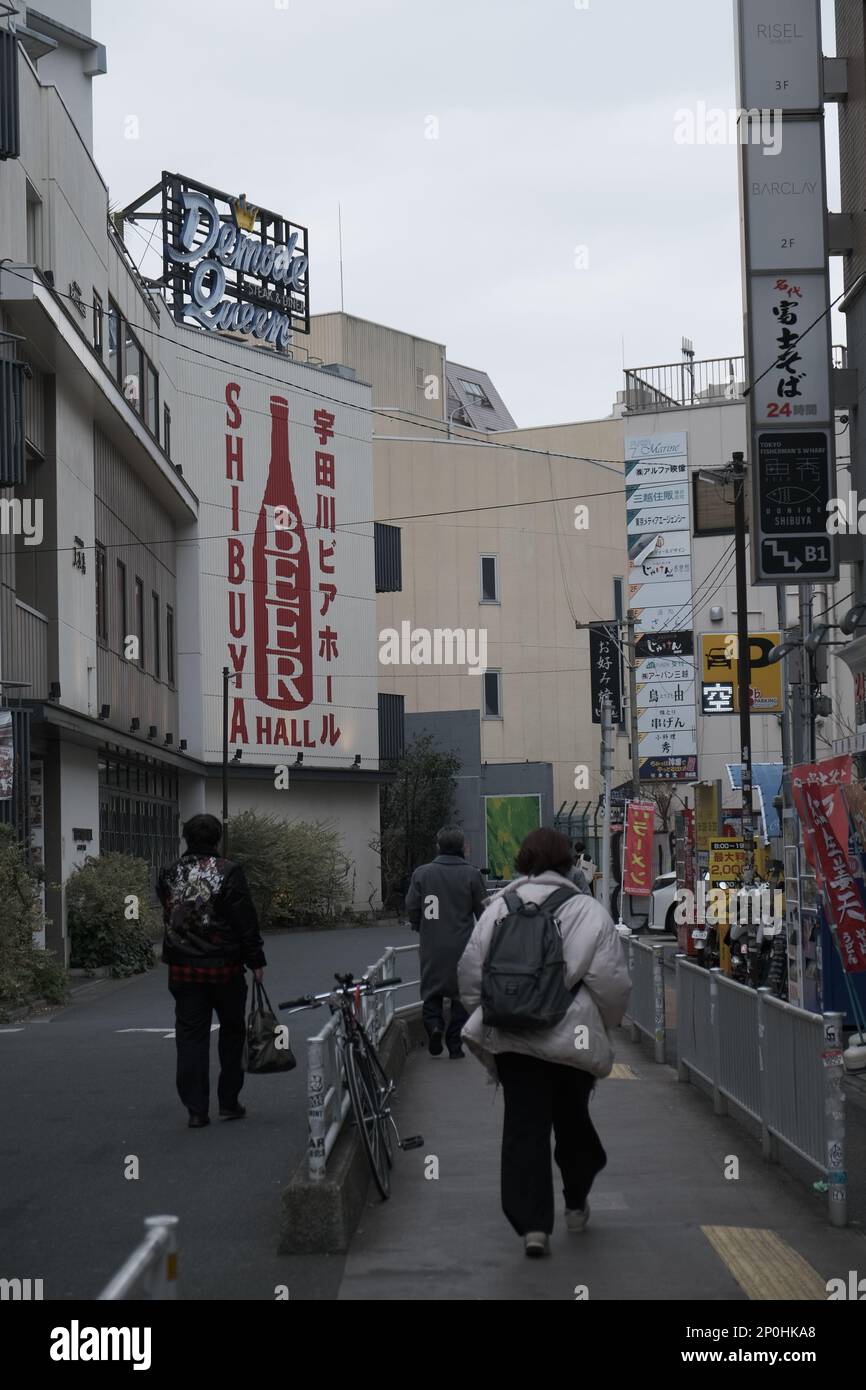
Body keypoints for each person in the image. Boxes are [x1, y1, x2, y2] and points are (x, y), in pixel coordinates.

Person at [458, 827, 631, 1258]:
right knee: (573, 1124)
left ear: (523, 861)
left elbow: (471, 975)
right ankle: (575, 1200)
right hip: (572, 1039)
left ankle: (533, 1226)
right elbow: (611, 983)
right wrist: (603, 1024)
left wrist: (496, 1011)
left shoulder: (497, 908)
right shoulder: (587, 910)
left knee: (523, 1129)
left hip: (515, 1040)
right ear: (566, 862)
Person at [157, 813, 266, 1128]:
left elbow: (169, 911)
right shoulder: (228, 872)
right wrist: (255, 960)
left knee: (191, 1037)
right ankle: (229, 1102)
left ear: (186, 839)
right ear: (217, 839)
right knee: (232, 1033)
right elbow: (244, 919)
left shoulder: (169, 873)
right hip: (225, 967)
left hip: (182, 968)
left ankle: (196, 1109)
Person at [405, 827, 487, 1059]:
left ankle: (434, 1027)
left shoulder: (422, 873)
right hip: (463, 944)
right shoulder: (471, 874)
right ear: (462, 847)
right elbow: (483, 911)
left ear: (438, 846)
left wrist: (419, 925)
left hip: (432, 944)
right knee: (461, 996)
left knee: (431, 992)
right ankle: (454, 1043)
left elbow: (412, 905)